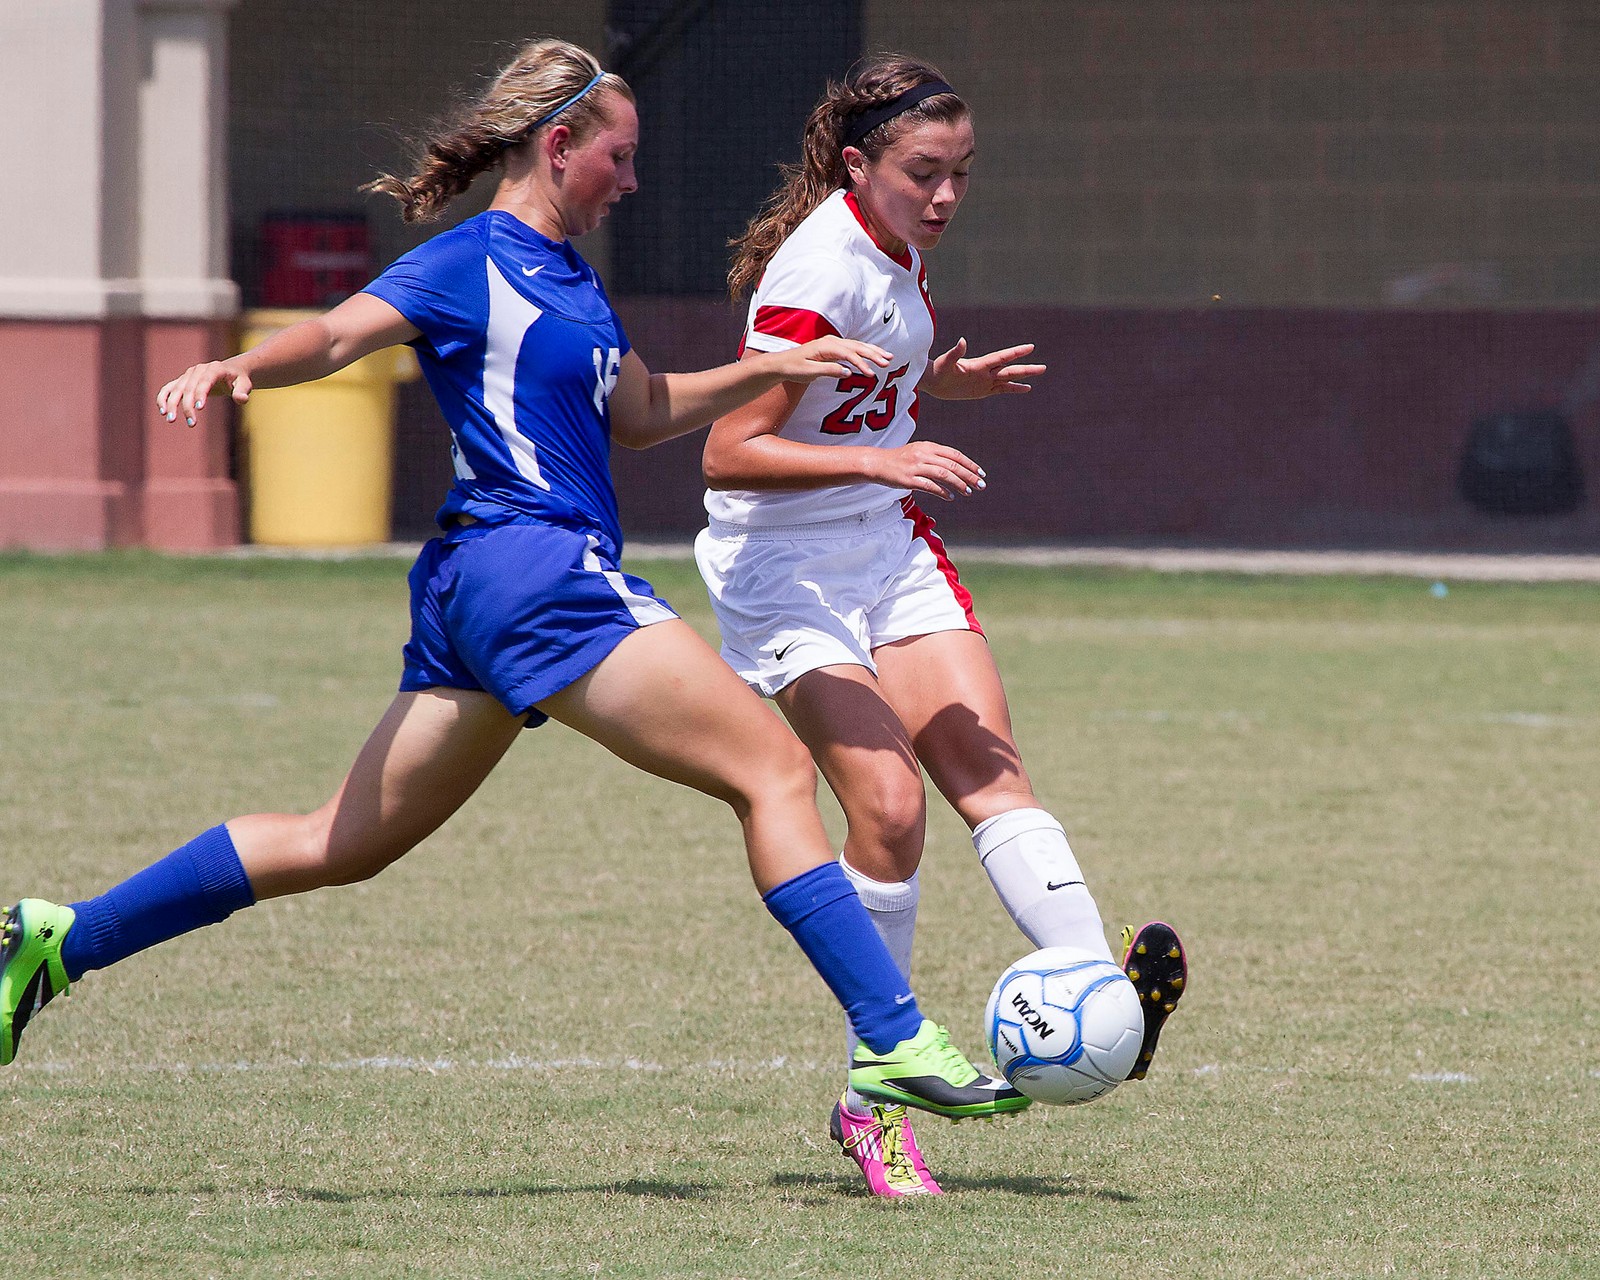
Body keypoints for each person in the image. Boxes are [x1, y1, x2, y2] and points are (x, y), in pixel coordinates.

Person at [0, 39, 1030, 1128]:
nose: (631, 180)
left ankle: (62, 938)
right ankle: (891, 1038)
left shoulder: (573, 281)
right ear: (559, 144)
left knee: (338, 840)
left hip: (478, 589)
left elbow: (637, 412)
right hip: (535, 565)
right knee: (775, 771)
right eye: (620, 158)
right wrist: (244, 363)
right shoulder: (473, 258)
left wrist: (771, 368)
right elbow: (344, 329)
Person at [698, 54, 1188, 1197]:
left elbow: (859, 386)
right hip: (788, 571)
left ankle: (1100, 1001)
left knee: (989, 768)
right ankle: (880, 1088)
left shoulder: (896, 246)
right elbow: (730, 449)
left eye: (963, 173)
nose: (947, 196)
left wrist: (930, 390)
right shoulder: (815, 270)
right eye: (926, 172)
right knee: (890, 806)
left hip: (884, 543)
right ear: (858, 164)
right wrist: (883, 448)